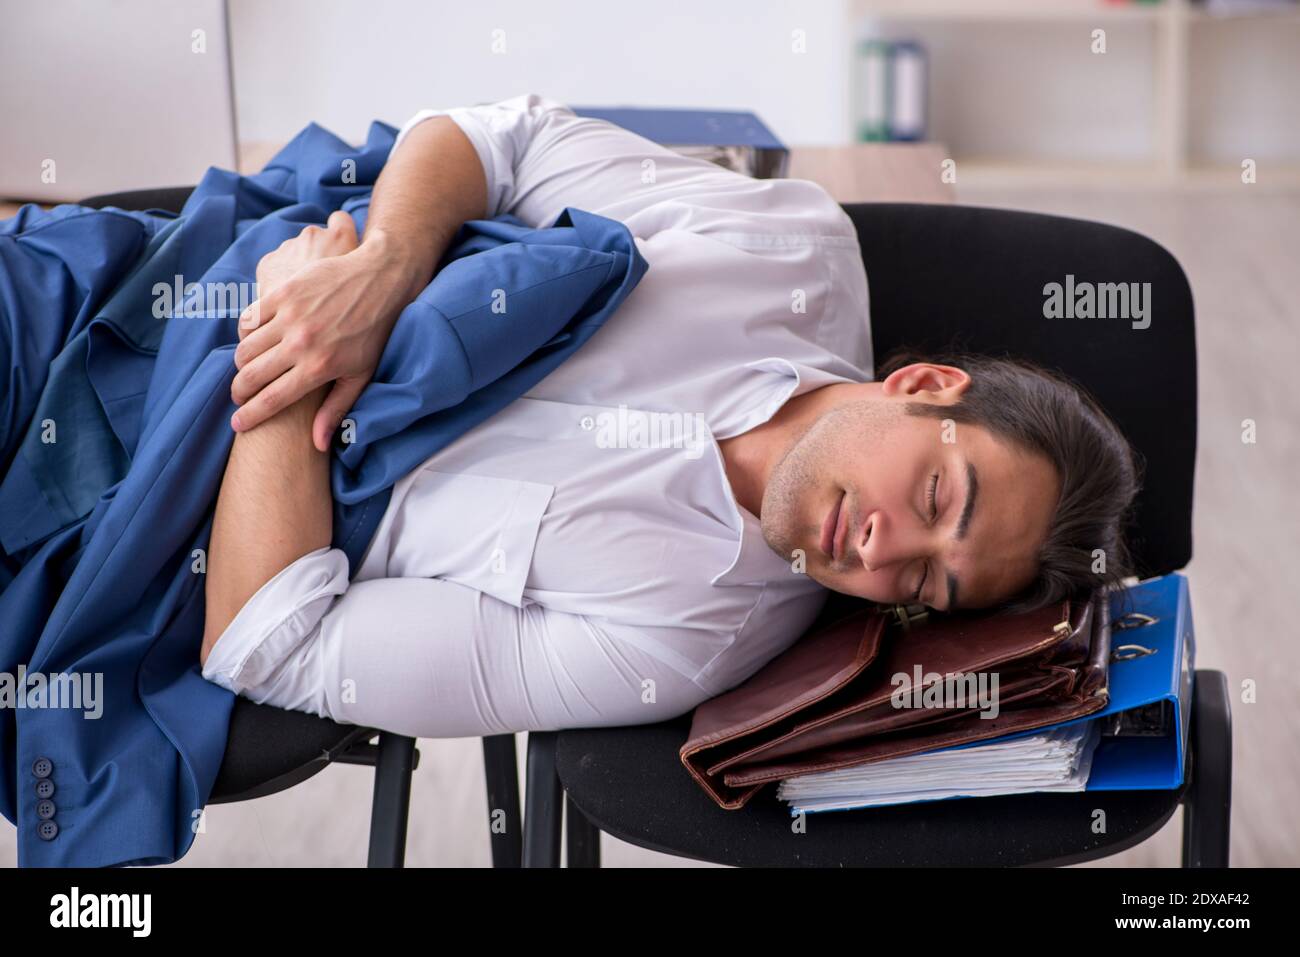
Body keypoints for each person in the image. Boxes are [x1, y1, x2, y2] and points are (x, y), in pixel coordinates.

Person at [197, 94, 1139, 739]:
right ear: (929, 385)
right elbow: (496, 140)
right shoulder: (791, 253)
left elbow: (271, 646)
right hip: (202, 274)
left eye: (928, 584)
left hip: (205, 484)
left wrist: (281, 345)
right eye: (937, 497)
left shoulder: (689, 639)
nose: (887, 553)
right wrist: (380, 267)